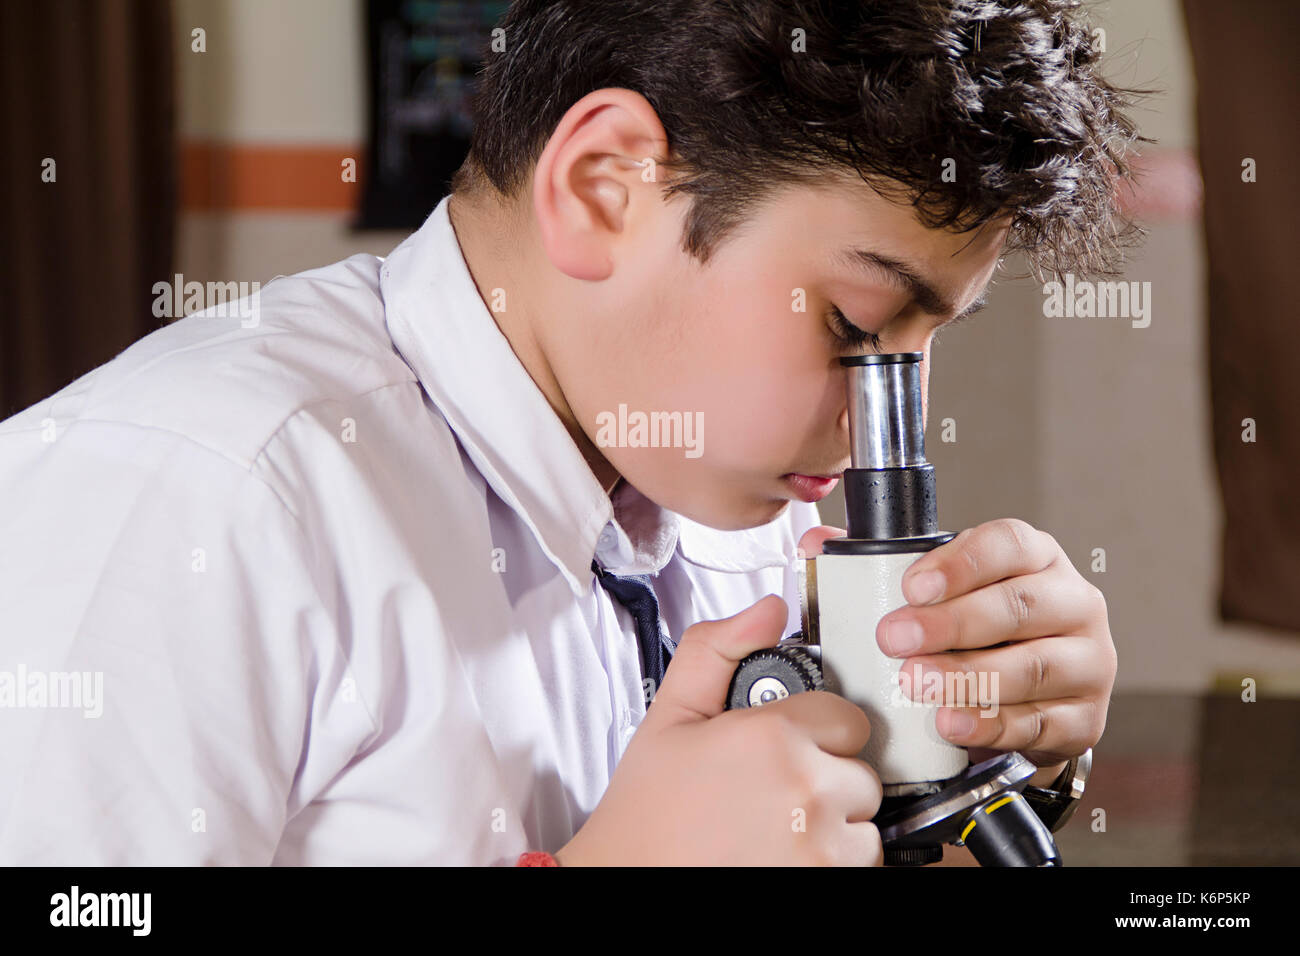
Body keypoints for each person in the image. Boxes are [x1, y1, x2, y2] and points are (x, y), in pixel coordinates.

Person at [0, 0, 1124, 865]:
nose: (890, 416)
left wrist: (988, 762)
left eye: (931, 339)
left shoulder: (718, 497)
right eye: (855, 321)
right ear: (604, 186)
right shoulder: (190, 497)